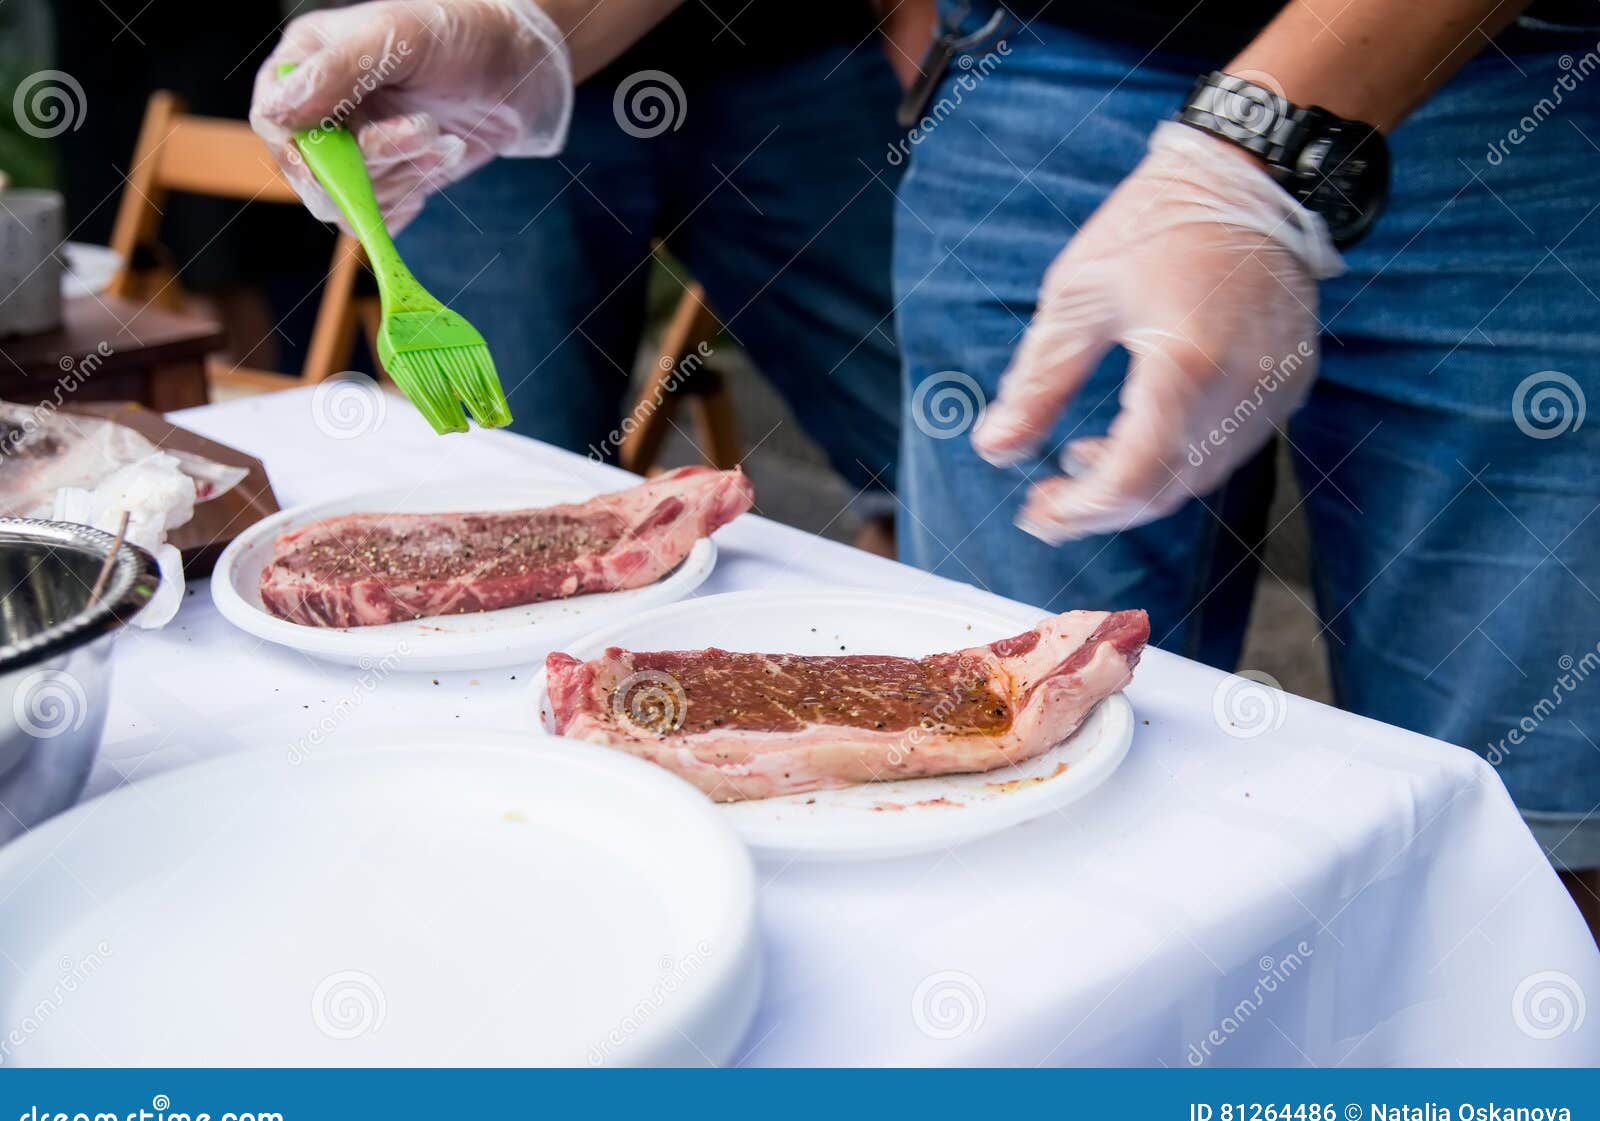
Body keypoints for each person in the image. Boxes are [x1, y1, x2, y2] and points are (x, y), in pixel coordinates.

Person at [251, 0, 1600, 934]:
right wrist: (531, 27)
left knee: (1528, 831)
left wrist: (1253, 153)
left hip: (1514, 100)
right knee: (1003, 799)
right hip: (1045, 85)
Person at [259, 0, 916, 548]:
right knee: (529, 512)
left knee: (935, 450)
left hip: (775, 46)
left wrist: (515, 28)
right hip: (447, 80)